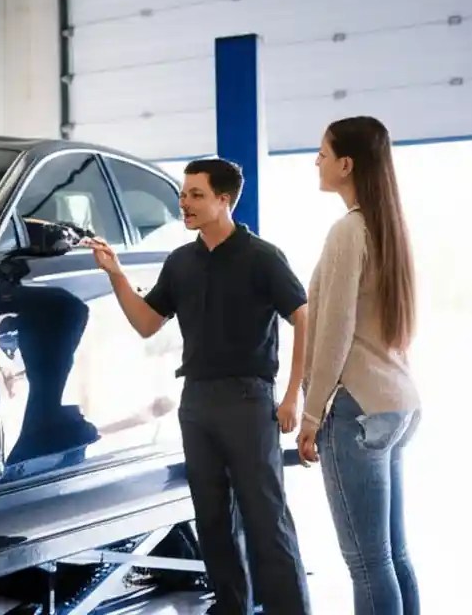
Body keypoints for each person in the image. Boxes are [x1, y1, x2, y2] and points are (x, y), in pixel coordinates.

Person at [85, 158, 311, 615]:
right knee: (210, 521)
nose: (184, 203)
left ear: (224, 200)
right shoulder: (181, 261)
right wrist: (116, 275)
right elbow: (147, 323)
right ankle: (231, 608)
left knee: (266, 519)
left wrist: (292, 395)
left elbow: (304, 318)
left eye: (196, 195)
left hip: (249, 401)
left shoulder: (262, 257)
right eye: (184, 194)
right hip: (197, 403)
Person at [296, 116, 422, 615]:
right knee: (393, 555)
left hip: (357, 410)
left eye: (323, 154)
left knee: (368, 564)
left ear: (346, 165)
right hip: (398, 403)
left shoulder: (348, 230)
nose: (316, 161)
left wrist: (310, 416)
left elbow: (335, 332)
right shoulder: (389, 226)